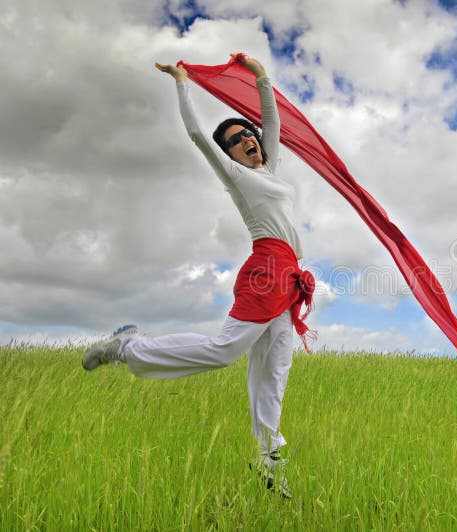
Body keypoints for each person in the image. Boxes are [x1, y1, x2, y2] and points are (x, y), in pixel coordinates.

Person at [82, 53, 312, 499]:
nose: (247, 138)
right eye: (235, 139)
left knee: (272, 378)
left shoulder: (271, 170)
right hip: (266, 271)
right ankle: (128, 347)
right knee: (226, 351)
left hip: (288, 281)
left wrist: (263, 77)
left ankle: (270, 469)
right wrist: (182, 83)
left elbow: (271, 123)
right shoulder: (238, 177)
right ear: (228, 155)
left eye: (248, 133)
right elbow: (194, 133)